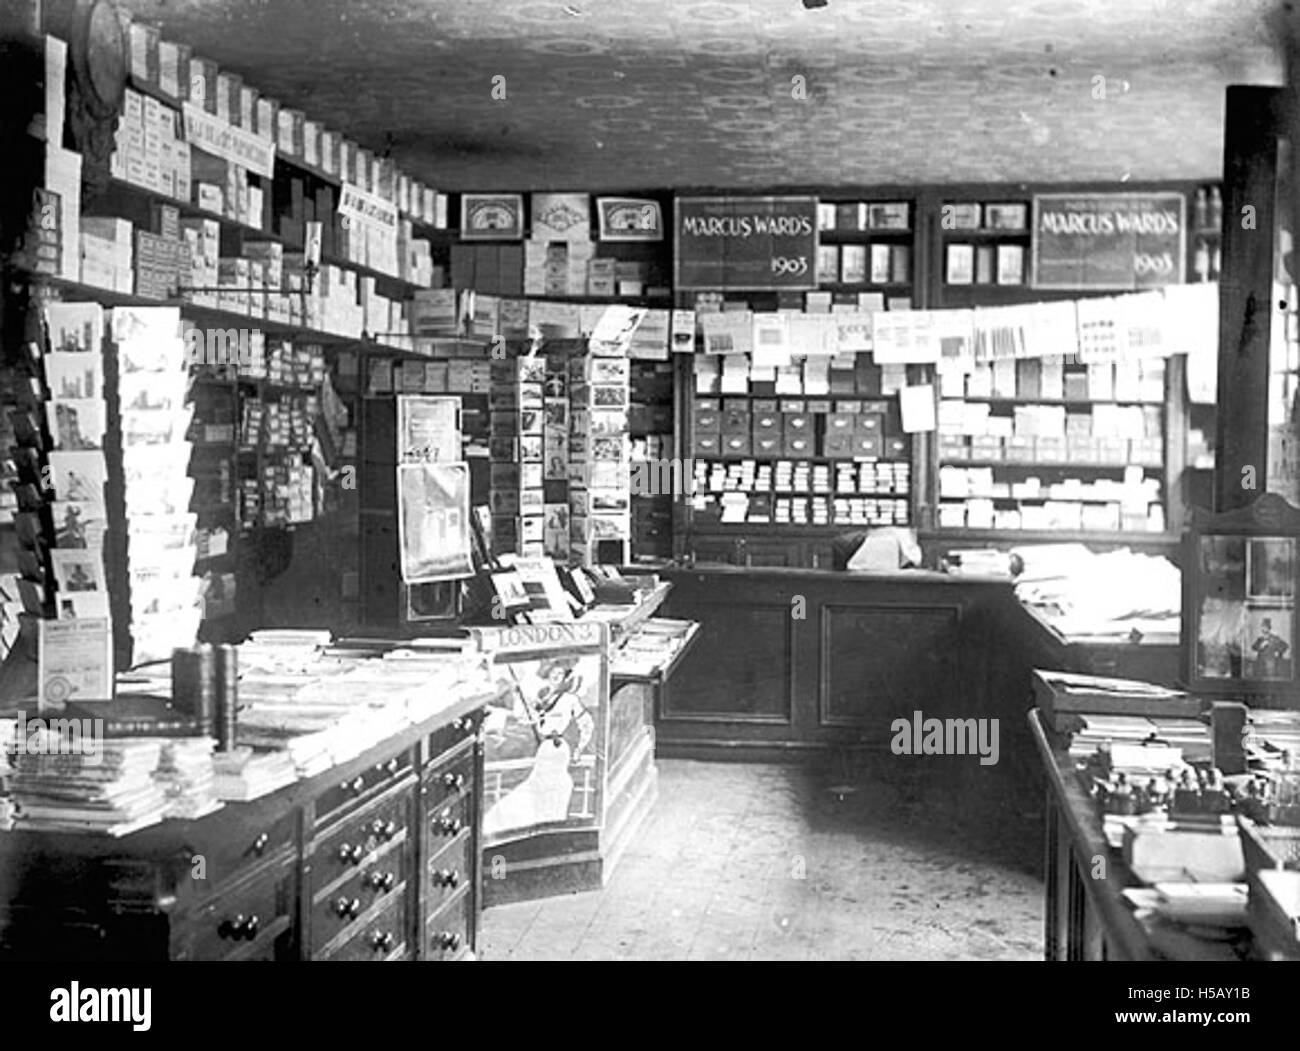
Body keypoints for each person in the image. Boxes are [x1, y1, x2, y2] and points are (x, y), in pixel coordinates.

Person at [483, 657, 595, 836]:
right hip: (541, 747)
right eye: (552, 673)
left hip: (555, 747)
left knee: (553, 791)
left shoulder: (568, 700)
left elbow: (585, 723)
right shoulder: (537, 695)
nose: (555, 677)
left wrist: (580, 748)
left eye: (560, 674)